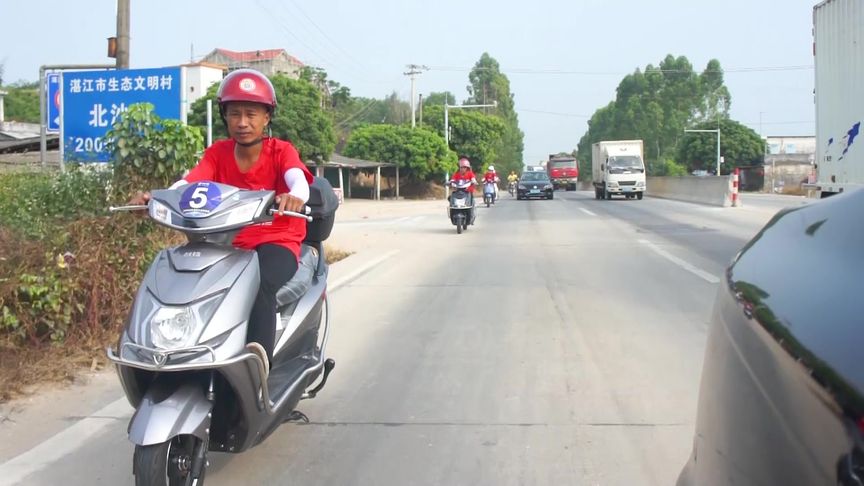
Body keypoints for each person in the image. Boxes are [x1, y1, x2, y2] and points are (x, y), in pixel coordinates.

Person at [129, 69, 313, 372]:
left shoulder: (282, 151)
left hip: (276, 241)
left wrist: (295, 196)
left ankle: (257, 363)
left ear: (267, 117)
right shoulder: (217, 153)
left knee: (259, 282)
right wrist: (158, 198)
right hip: (228, 245)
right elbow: (188, 183)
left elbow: (298, 181)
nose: (242, 122)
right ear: (224, 116)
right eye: (235, 113)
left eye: (251, 114)